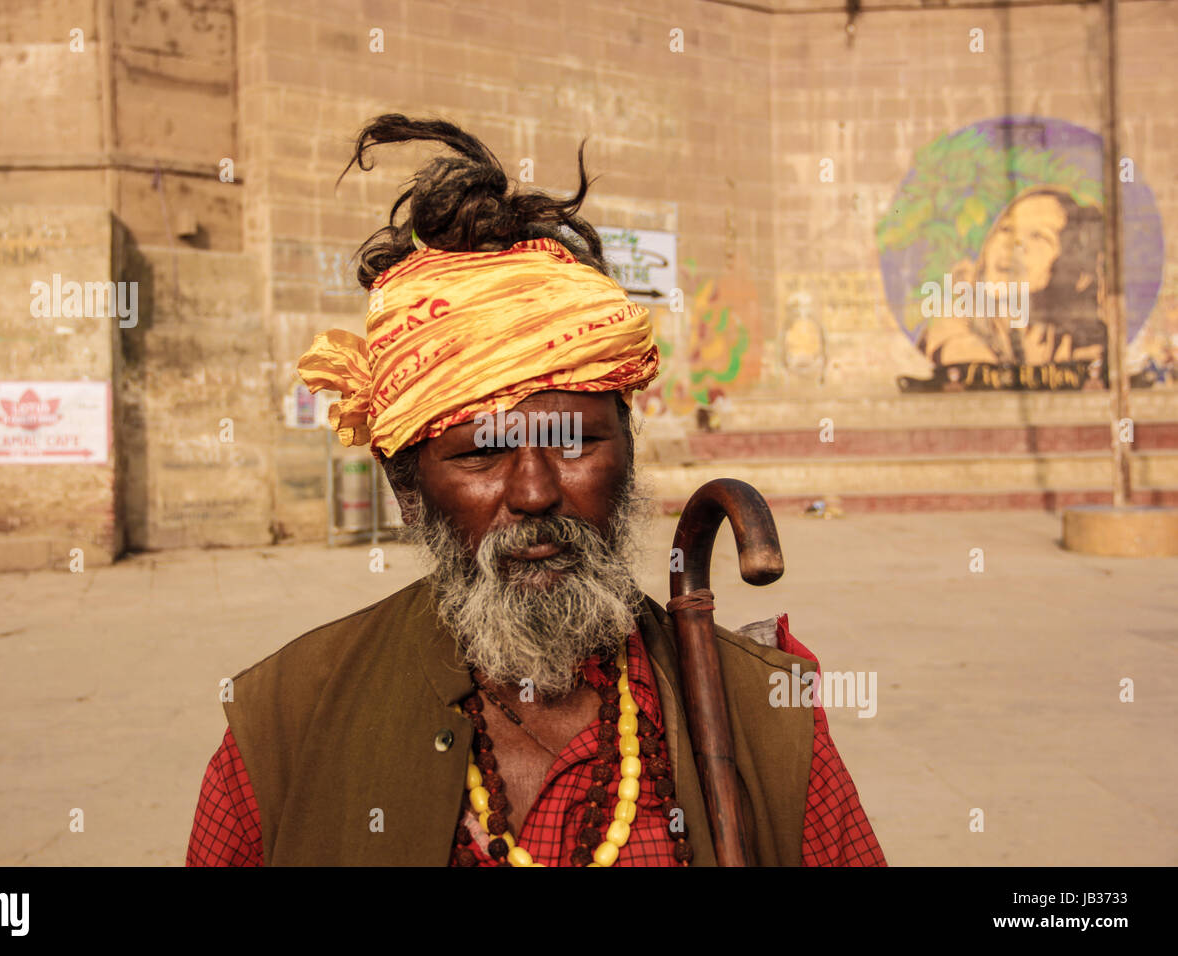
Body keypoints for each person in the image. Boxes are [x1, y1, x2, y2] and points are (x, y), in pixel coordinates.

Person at [186, 114, 885, 867]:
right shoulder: (288, 720)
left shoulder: (761, 719)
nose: (534, 490)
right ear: (408, 490)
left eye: (575, 442)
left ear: (629, 458)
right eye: (482, 454)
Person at [918, 186, 1106, 369]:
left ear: (1078, 272)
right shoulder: (955, 324)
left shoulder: (1080, 339)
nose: (1013, 245)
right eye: (1006, 229)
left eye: (1038, 236)